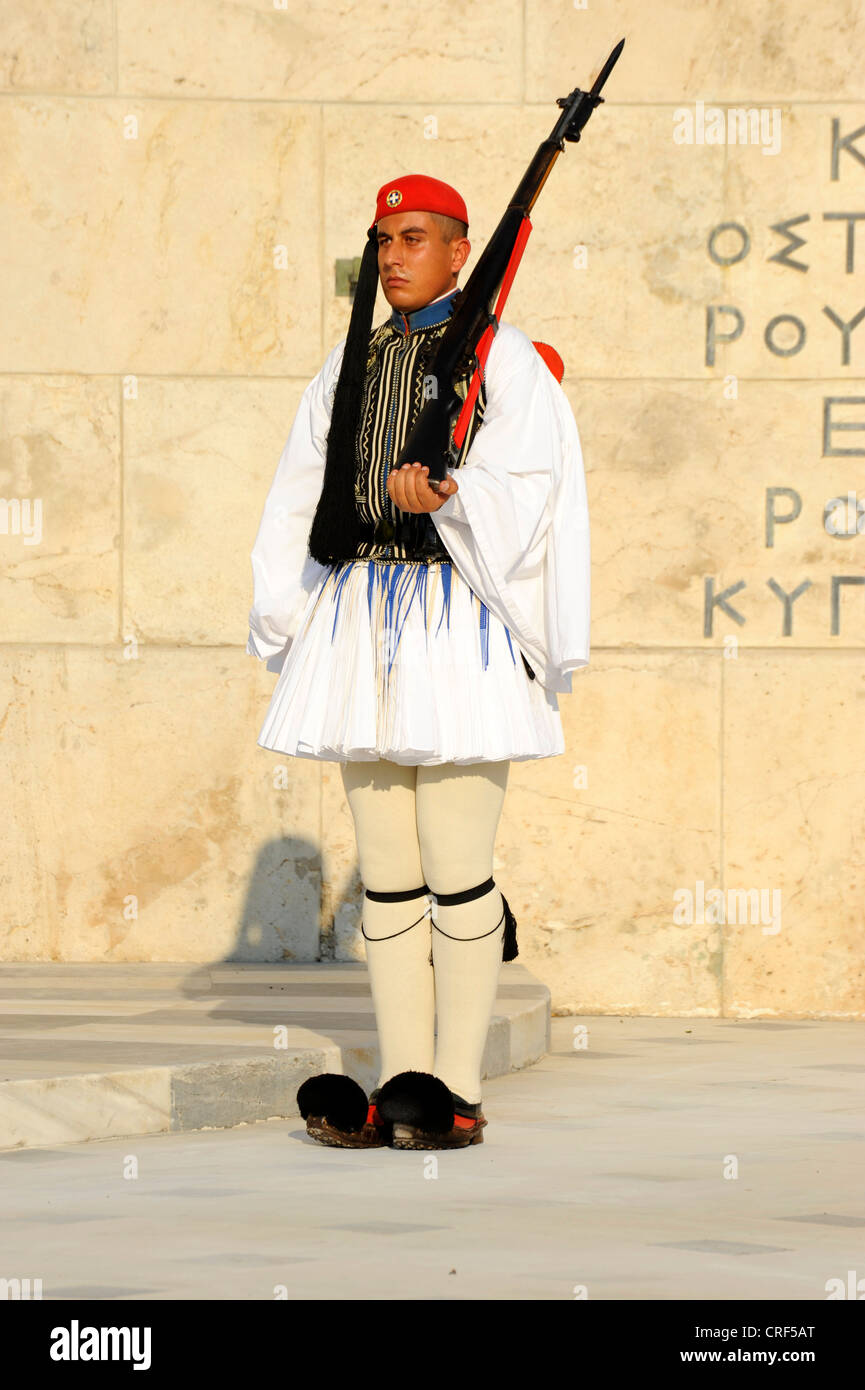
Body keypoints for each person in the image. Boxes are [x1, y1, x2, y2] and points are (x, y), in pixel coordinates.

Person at [247, 173, 590, 1150]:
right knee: (389, 870)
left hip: (459, 621)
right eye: (383, 238)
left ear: (457, 251)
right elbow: (296, 487)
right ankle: (404, 1078)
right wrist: (285, 611)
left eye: (415, 237)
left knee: (456, 864)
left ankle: (459, 1085)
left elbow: (532, 488)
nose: (392, 256)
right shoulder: (346, 365)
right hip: (364, 618)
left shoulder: (508, 361)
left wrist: (451, 492)